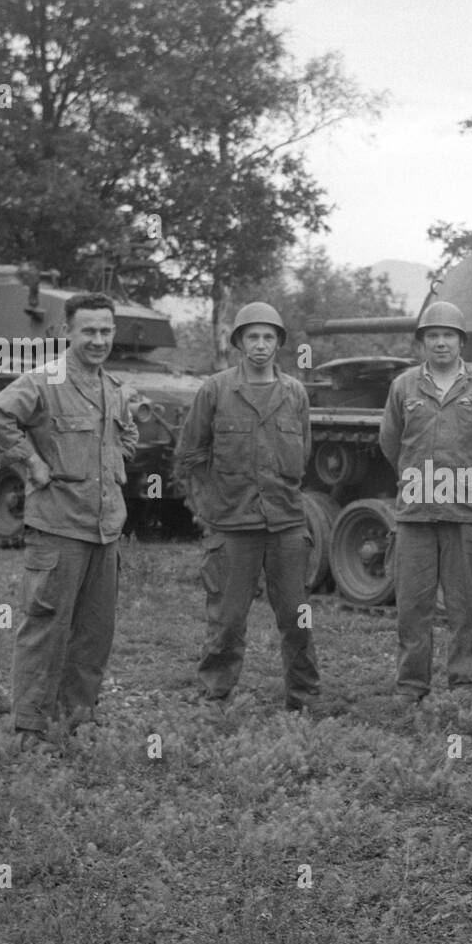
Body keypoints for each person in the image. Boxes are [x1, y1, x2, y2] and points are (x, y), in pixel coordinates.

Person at [0, 292, 138, 751]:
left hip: (104, 529)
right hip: (58, 528)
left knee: (94, 633)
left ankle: (78, 719)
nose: (98, 339)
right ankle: (30, 728)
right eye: (89, 330)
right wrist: (32, 461)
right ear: (67, 331)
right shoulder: (44, 381)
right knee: (45, 628)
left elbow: (127, 431)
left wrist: (118, 458)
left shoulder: (114, 387)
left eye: (106, 331)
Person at [174, 301, 319, 709]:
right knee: (227, 618)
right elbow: (189, 455)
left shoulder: (295, 393)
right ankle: (215, 696)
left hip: (287, 524)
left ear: (278, 344)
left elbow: (303, 451)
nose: (260, 345)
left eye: (268, 337)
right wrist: (207, 509)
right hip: (232, 526)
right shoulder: (216, 390)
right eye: (252, 337)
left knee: (296, 616)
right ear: (239, 342)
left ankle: (303, 695)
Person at [378, 300, 472, 703]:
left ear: (461, 342)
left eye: (448, 336)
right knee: (412, 606)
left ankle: (464, 684)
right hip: (416, 512)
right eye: (433, 336)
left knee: (465, 606)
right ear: (423, 342)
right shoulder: (403, 386)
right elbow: (391, 441)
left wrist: (470, 481)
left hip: (465, 512)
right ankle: (411, 685)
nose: (441, 343)